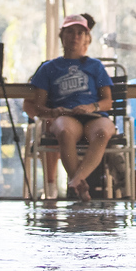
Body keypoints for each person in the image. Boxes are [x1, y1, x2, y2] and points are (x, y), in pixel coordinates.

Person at [25, 13, 115, 200]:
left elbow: (108, 101)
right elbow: (38, 105)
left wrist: (92, 107)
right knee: (64, 131)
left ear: (86, 39)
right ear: (62, 36)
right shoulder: (48, 68)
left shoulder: (95, 66)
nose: (75, 37)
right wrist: (52, 111)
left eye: (80, 33)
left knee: (104, 132)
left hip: (93, 116)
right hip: (65, 115)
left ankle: (76, 180)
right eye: (70, 32)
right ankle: (79, 183)